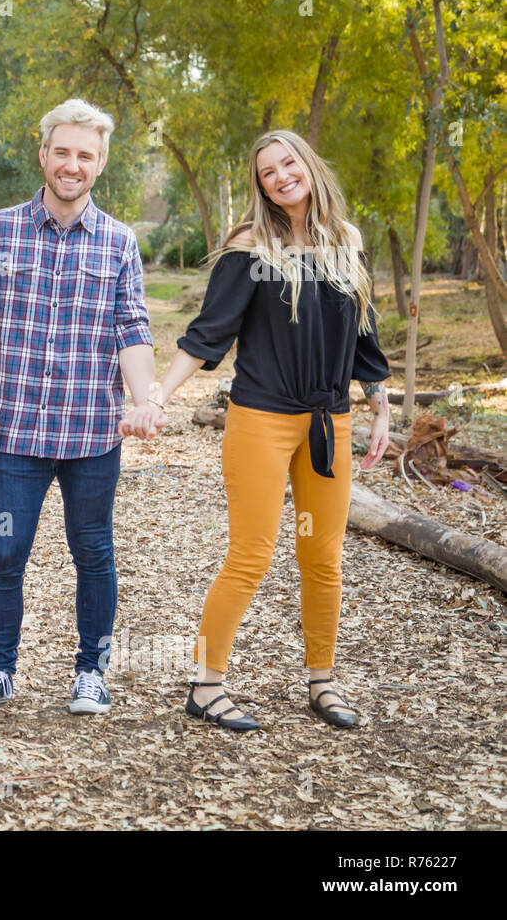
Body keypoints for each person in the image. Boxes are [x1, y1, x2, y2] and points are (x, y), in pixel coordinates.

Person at [151, 129, 390, 731]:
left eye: (289, 164)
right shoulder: (249, 246)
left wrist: (379, 400)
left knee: (324, 557)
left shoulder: (347, 241)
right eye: (267, 172)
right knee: (251, 555)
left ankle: (322, 681)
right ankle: (205, 686)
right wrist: (159, 392)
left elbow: (362, 336)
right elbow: (209, 334)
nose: (282, 176)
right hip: (260, 419)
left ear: (308, 165)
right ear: (260, 185)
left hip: (329, 421)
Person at [0, 98, 162, 715]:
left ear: (99, 165)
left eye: (86, 155)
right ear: (43, 154)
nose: (73, 165)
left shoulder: (119, 242)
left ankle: (90, 673)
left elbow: (132, 328)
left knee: (93, 551)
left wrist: (145, 399)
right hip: (14, 430)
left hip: (93, 433)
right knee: (5, 551)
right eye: (63, 151)